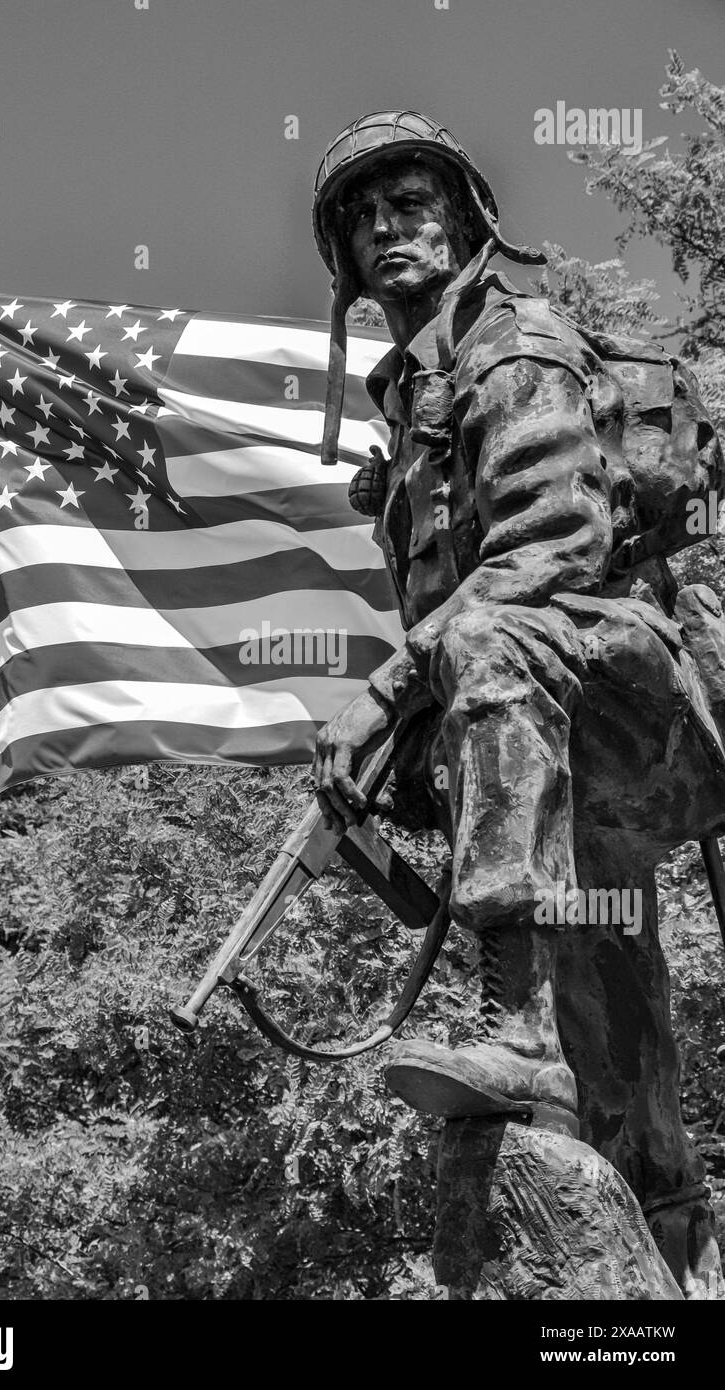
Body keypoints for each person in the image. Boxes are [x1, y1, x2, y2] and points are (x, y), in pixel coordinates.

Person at [310, 110, 725, 1296]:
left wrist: (391, 690)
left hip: (633, 699)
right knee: (620, 1059)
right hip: (562, 759)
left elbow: (548, 543)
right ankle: (676, 1265)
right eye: (361, 216)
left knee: (485, 640)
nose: (386, 228)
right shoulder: (413, 395)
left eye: (410, 204)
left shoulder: (512, 345)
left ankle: (512, 1031)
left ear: (464, 221)